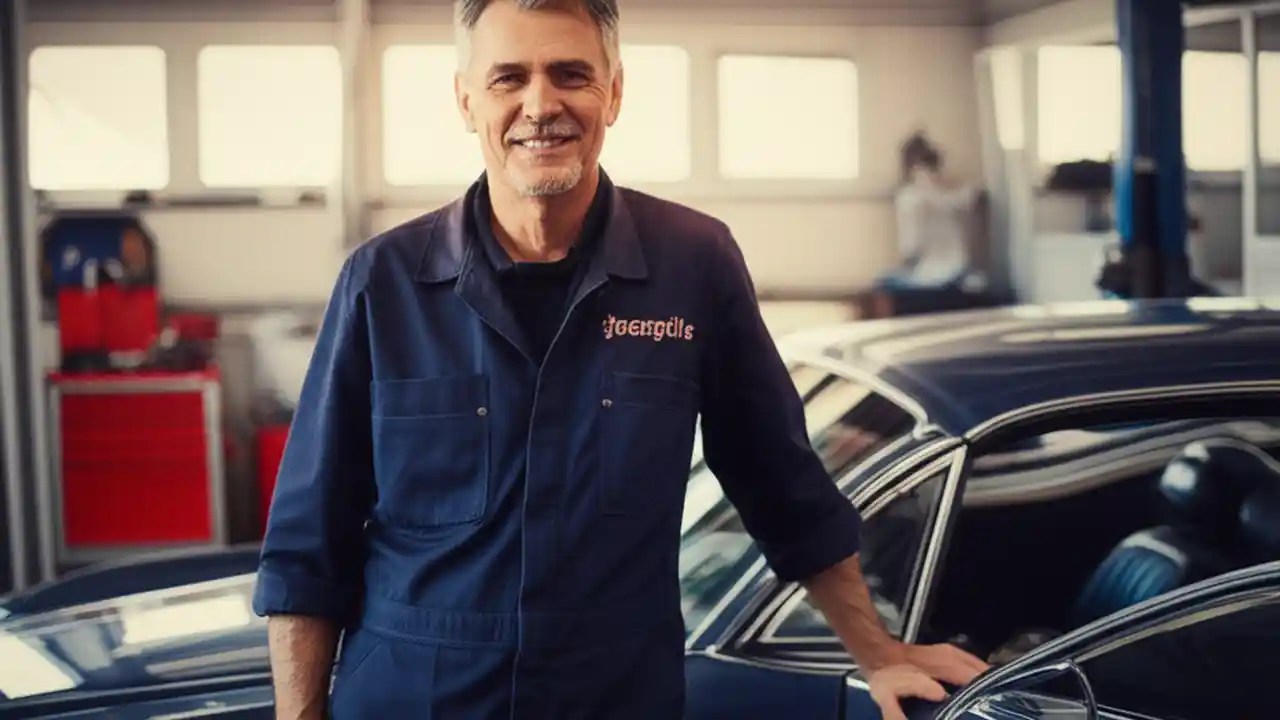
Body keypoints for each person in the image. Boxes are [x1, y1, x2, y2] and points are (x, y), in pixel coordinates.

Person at [251, 1, 989, 718]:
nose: (541, 104)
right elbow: (308, 541)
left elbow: (783, 486)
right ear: (466, 101)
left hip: (610, 695)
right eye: (509, 78)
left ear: (615, 92)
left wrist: (878, 653)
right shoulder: (384, 282)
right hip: (416, 694)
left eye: (570, 73)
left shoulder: (693, 265)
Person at [864, 133, 981, 318]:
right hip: (960, 269)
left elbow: (910, 248)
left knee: (882, 283)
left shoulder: (909, 197)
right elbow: (968, 198)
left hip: (934, 275)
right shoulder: (955, 195)